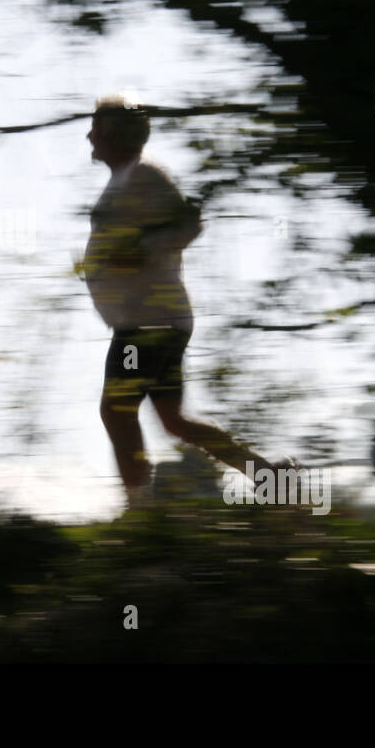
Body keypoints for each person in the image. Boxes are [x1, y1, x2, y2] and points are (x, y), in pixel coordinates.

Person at [80, 94, 283, 509]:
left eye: (96, 128)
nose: (88, 135)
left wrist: (143, 250)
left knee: (116, 411)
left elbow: (188, 223)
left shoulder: (145, 175)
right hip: (153, 319)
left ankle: (140, 510)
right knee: (173, 421)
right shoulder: (125, 178)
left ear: (115, 133)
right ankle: (271, 477)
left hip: (147, 323)